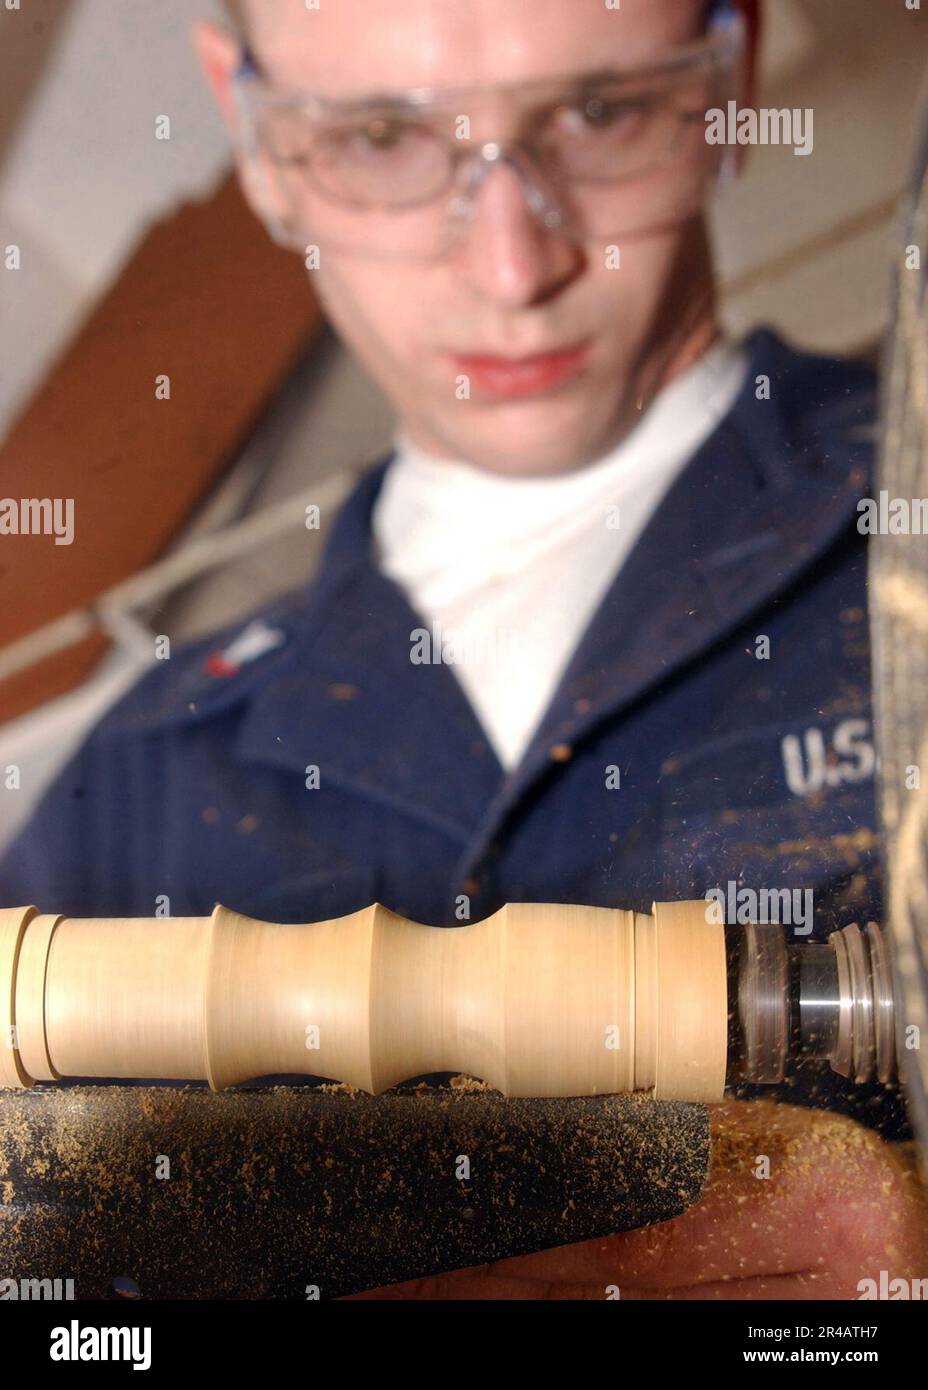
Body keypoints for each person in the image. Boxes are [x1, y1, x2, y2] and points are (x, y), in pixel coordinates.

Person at [2, 0, 926, 1298]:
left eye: (599, 114)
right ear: (253, 133)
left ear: (732, 74)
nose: (510, 264)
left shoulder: (909, 548)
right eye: (381, 135)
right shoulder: (145, 772)